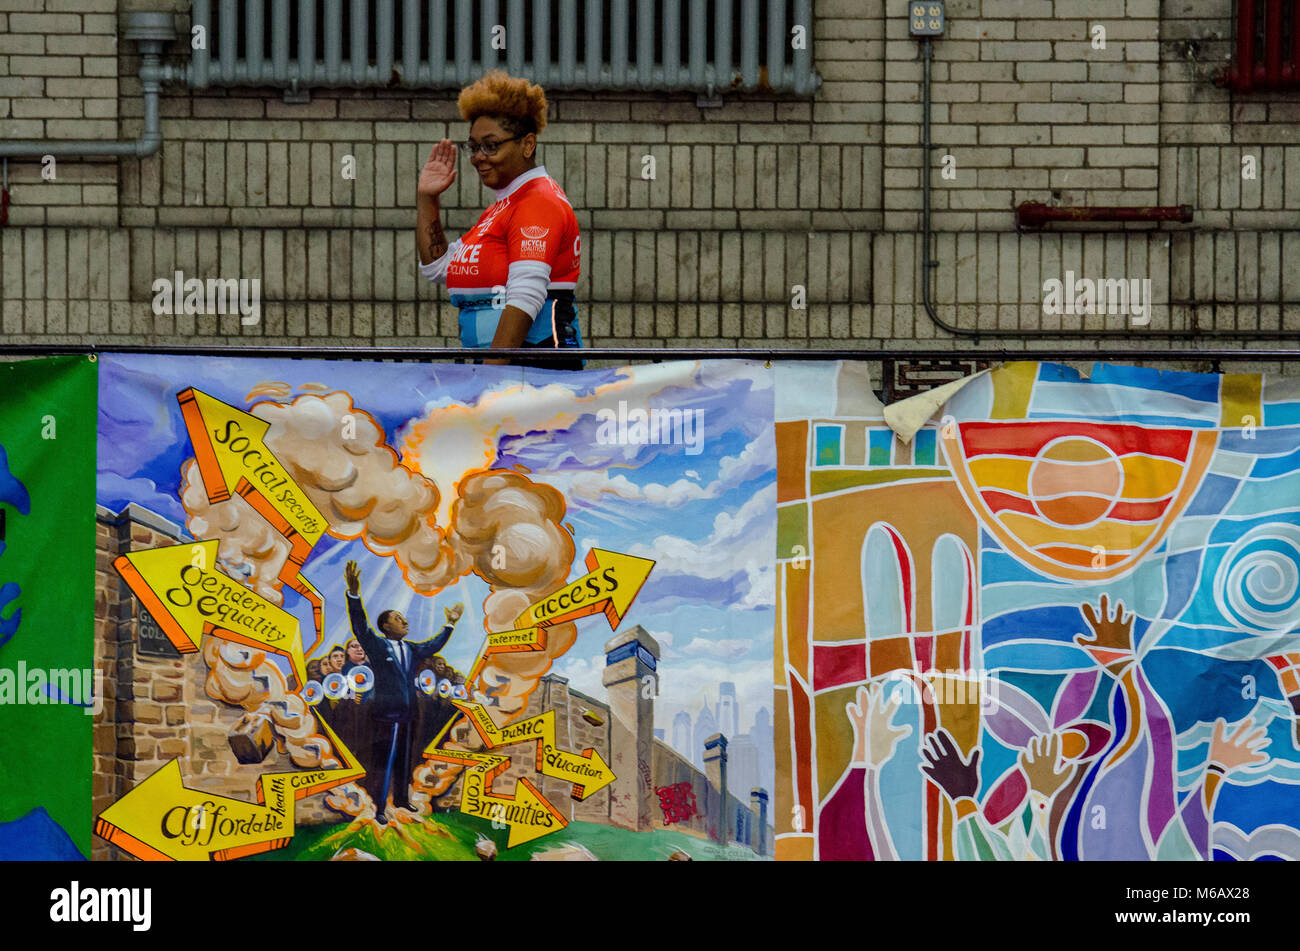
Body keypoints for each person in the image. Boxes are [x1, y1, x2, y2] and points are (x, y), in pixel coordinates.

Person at [416, 70, 583, 369]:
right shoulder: (501, 208)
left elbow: (526, 296)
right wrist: (428, 199)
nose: (479, 156)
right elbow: (439, 267)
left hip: (531, 374)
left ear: (527, 144)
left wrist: (489, 377)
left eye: (491, 145)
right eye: (474, 146)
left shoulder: (537, 201)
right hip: (501, 372)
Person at [343, 559, 462, 813]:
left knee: (403, 761)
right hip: (386, 715)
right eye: (398, 618)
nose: (404, 621)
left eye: (404, 618)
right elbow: (360, 627)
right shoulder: (377, 645)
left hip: (408, 715)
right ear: (386, 626)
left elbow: (434, 645)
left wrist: (450, 623)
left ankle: (400, 800)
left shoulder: (411, 648)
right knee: (383, 762)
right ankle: (378, 809)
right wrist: (354, 595)